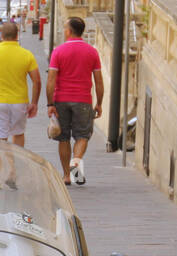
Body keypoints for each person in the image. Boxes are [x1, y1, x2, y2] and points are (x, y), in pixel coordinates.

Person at [47, 16, 104, 185]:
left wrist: (50, 104)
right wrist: (99, 103)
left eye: (65, 27)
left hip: (61, 99)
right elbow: (98, 81)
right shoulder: (92, 52)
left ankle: (66, 175)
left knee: (63, 137)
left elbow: (51, 80)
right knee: (82, 136)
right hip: (83, 100)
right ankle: (76, 167)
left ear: (68, 31)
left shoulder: (58, 51)